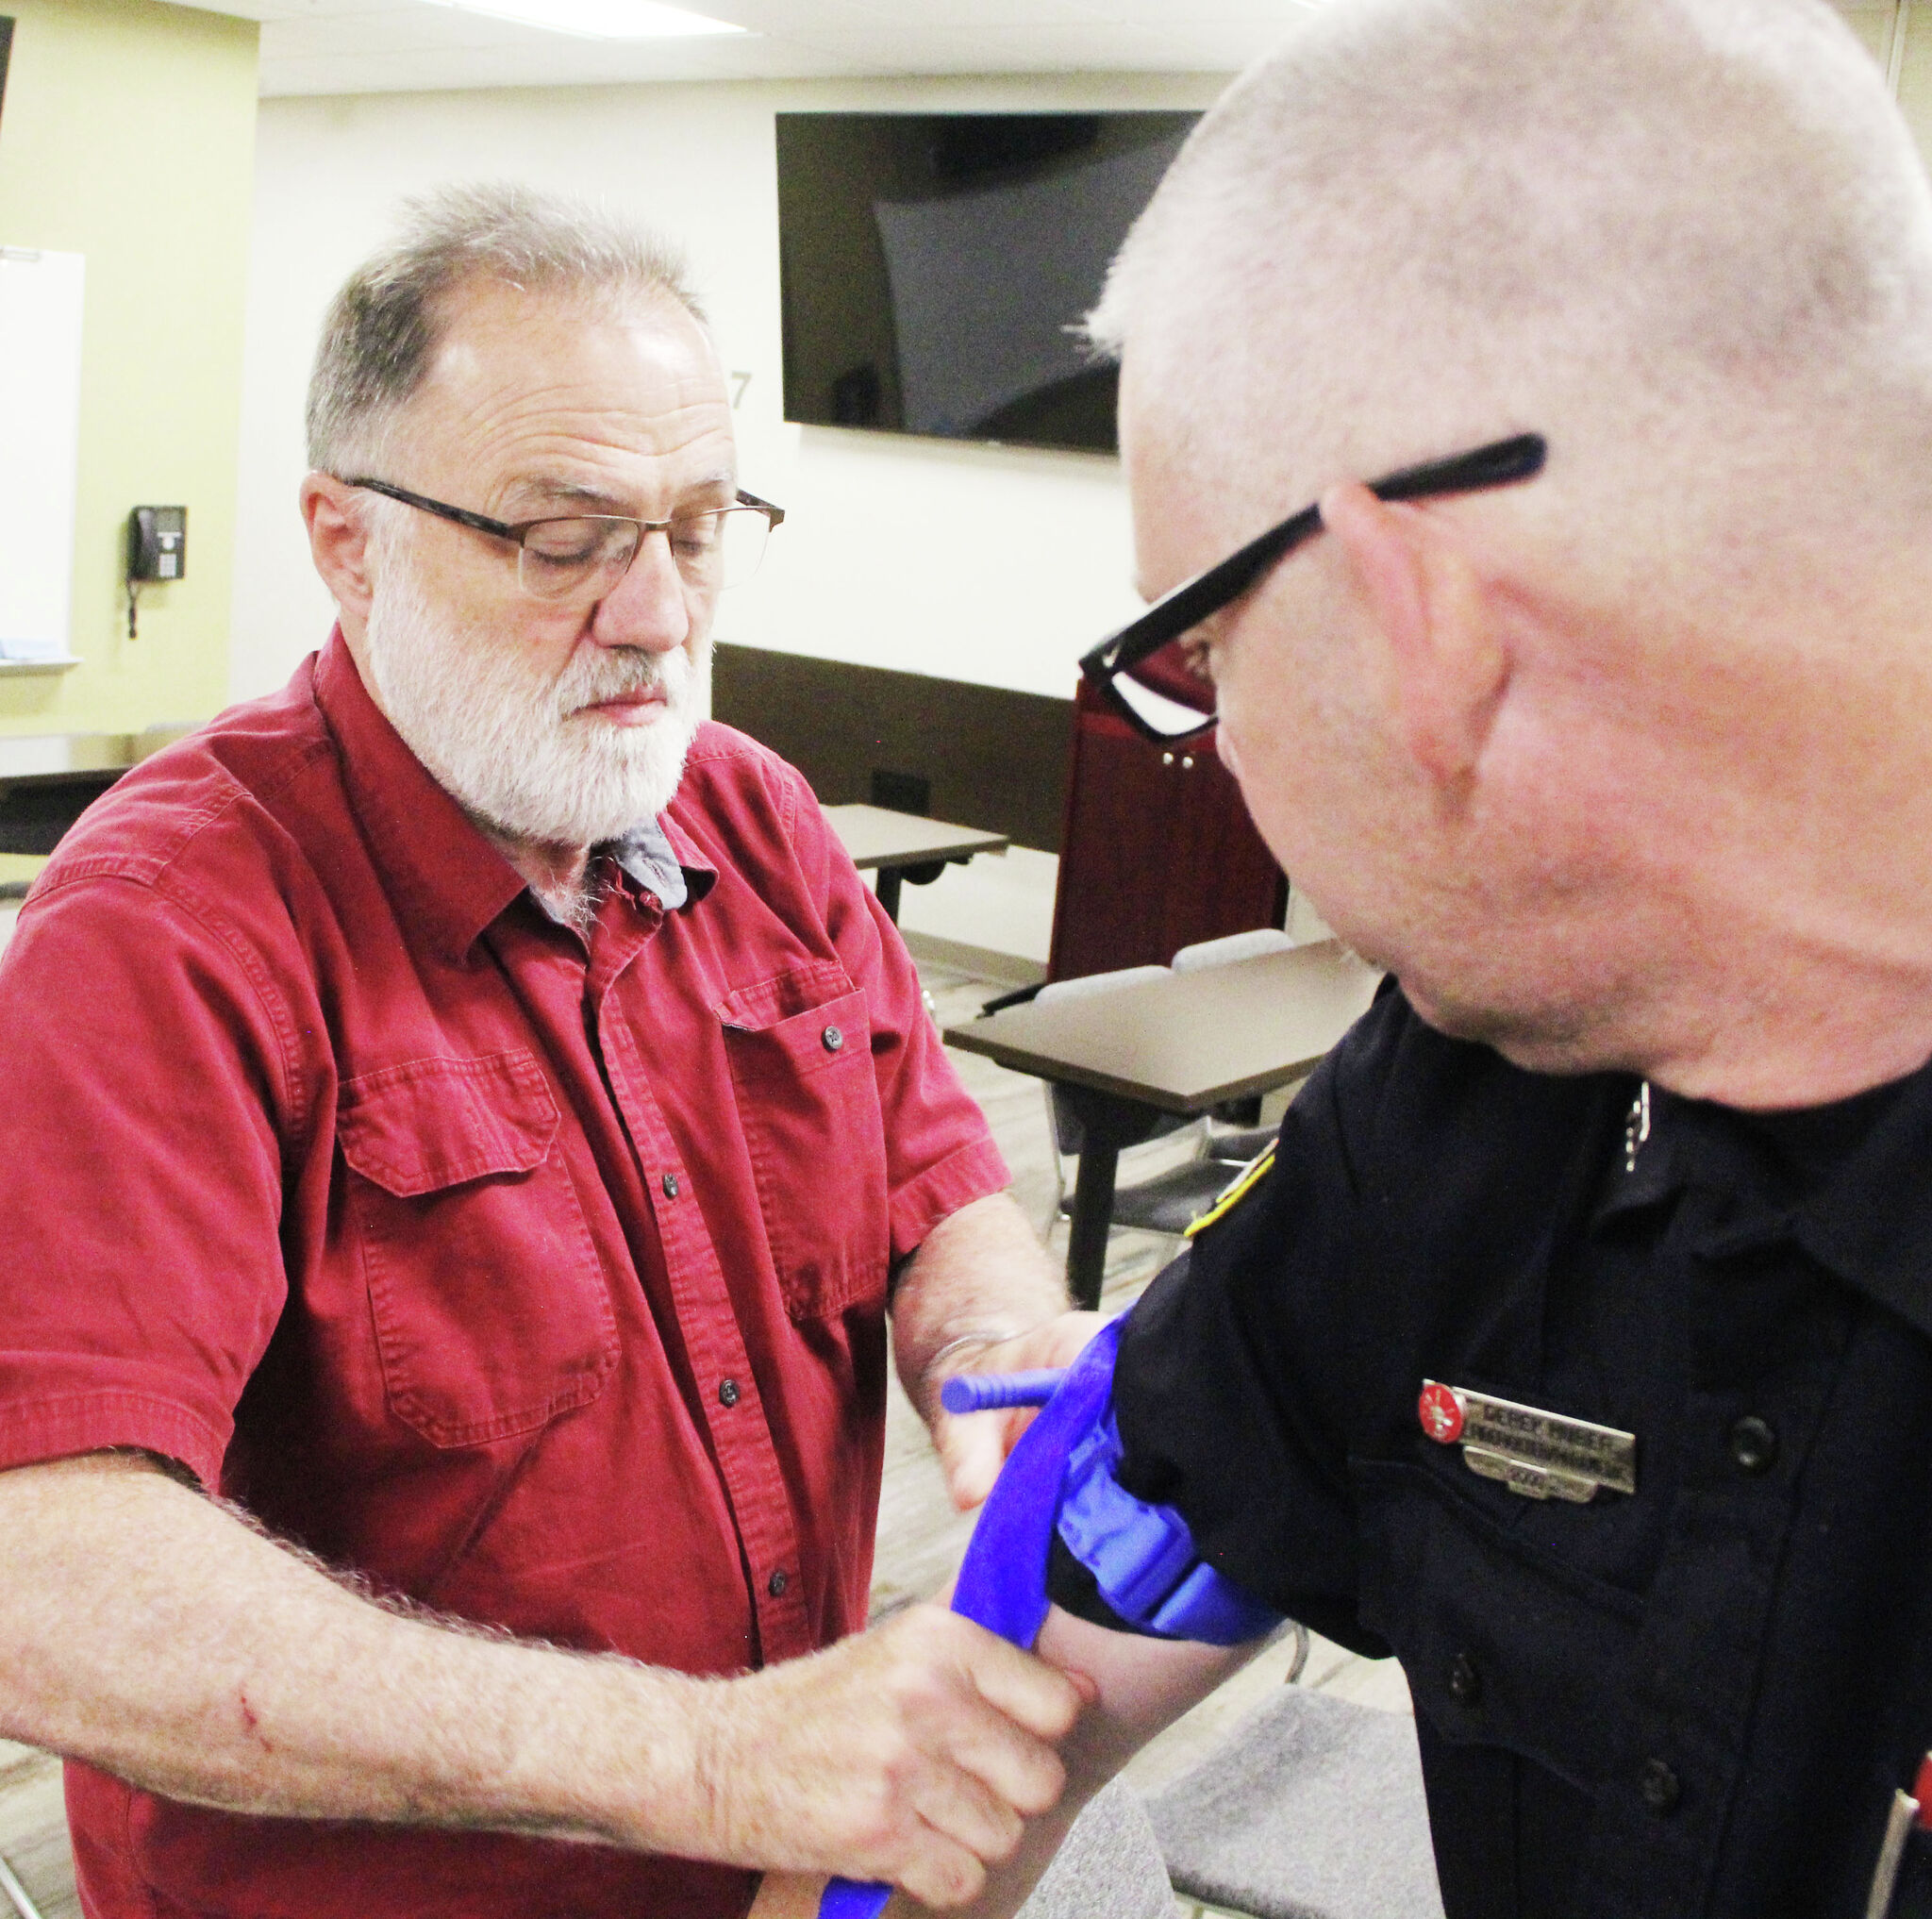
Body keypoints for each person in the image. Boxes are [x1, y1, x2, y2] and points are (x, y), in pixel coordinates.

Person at [908, 2, 1932, 1915]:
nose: (1221, 744)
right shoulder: (1455, 1102)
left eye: (1201, 658)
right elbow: (987, 1735)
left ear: (1419, 616)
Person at [0, 185, 1089, 1919]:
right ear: (348, 541)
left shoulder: (756, 820)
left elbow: (934, 1191)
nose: (657, 612)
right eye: (566, 539)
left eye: (700, 528)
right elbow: (44, 1566)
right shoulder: (168, 930)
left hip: (779, 1871)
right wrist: (705, 1759)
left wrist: (990, 1343)